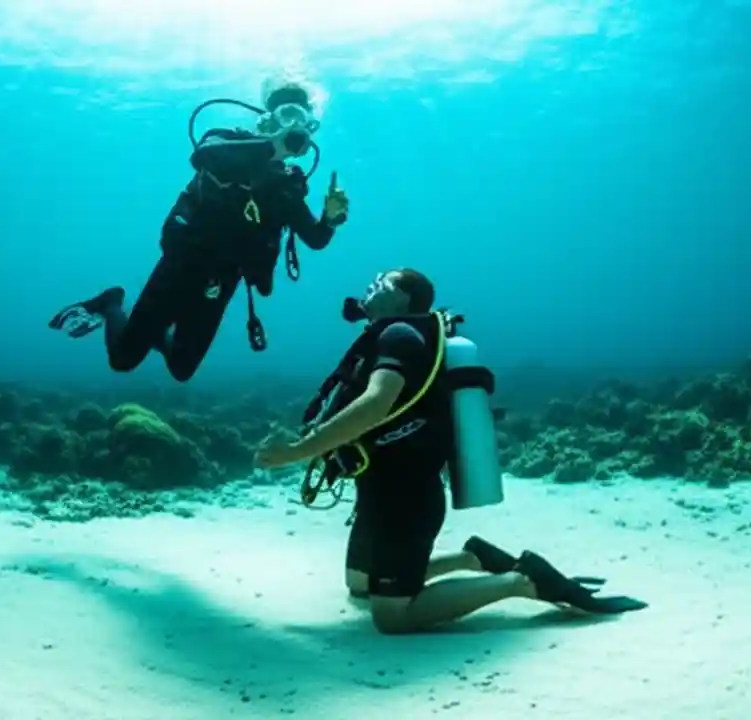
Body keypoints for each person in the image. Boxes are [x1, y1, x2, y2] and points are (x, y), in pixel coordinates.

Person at [254, 268, 647, 634]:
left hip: (406, 496)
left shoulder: (401, 336)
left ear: (406, 299)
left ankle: (521, 581)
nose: (372, 285)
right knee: (358, 585)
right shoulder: (386, 335)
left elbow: (377, 403)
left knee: (393, 617)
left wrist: (298, 450)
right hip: (377, 487)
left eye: (384, 283)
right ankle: (469, 559)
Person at [49, 76, 350, 382]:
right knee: (123, 360)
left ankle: (150, 330)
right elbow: (204, 153)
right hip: (182, 263)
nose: (295, 126)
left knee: (181, 369)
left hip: (222, 281)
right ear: (268, 118)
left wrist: (331, 218)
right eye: (287, 115)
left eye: (303, 120)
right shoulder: (230, 142)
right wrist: (271, 146)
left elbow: (316, 239)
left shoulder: (288, 187)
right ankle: (112, 302)